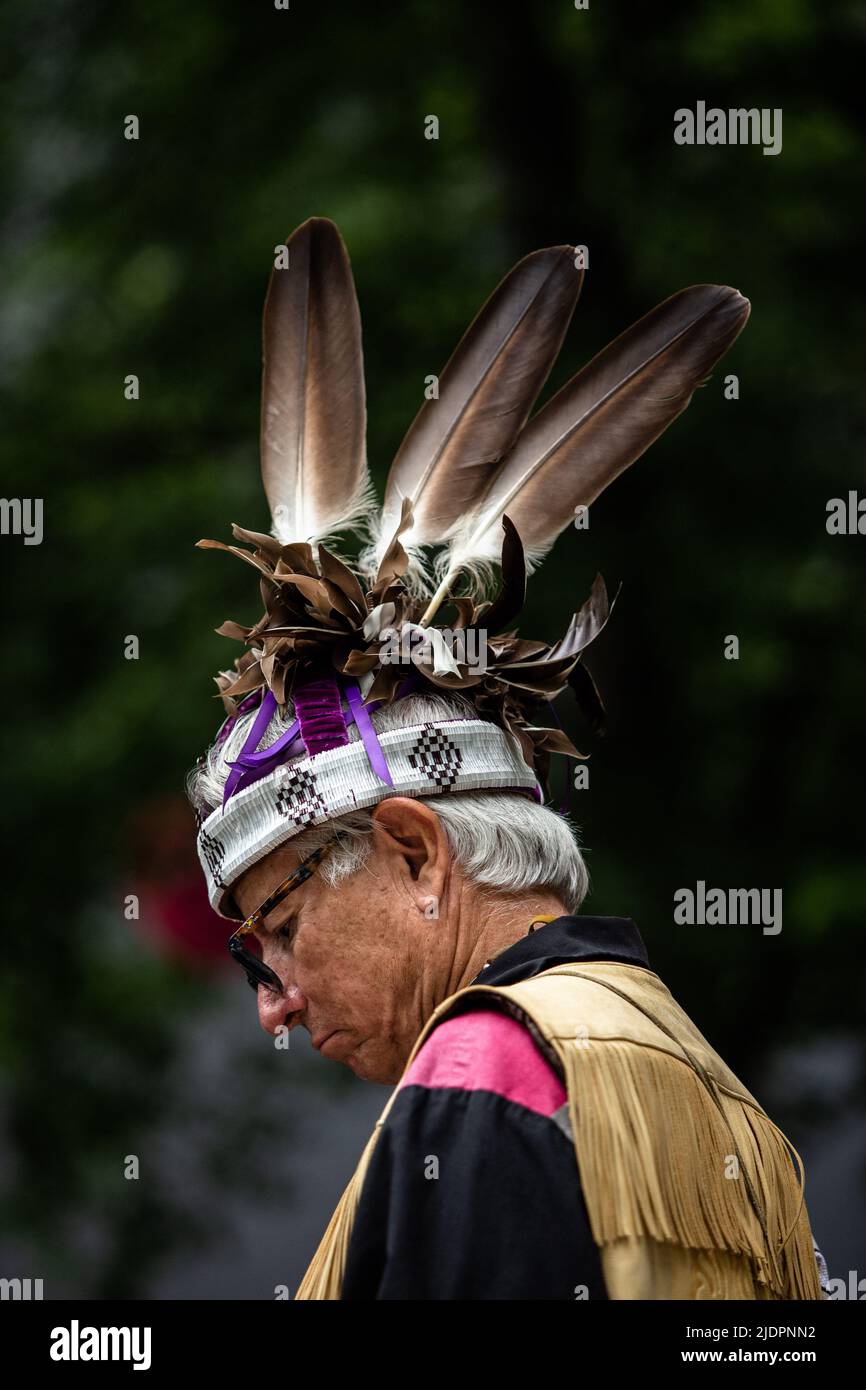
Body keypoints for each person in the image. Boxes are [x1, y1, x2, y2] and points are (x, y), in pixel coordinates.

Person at [187, 217, 827, 1299]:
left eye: (280, 931)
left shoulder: (488, 1068)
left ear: (415, 851)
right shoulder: (712, 1089)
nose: (274, 1005)